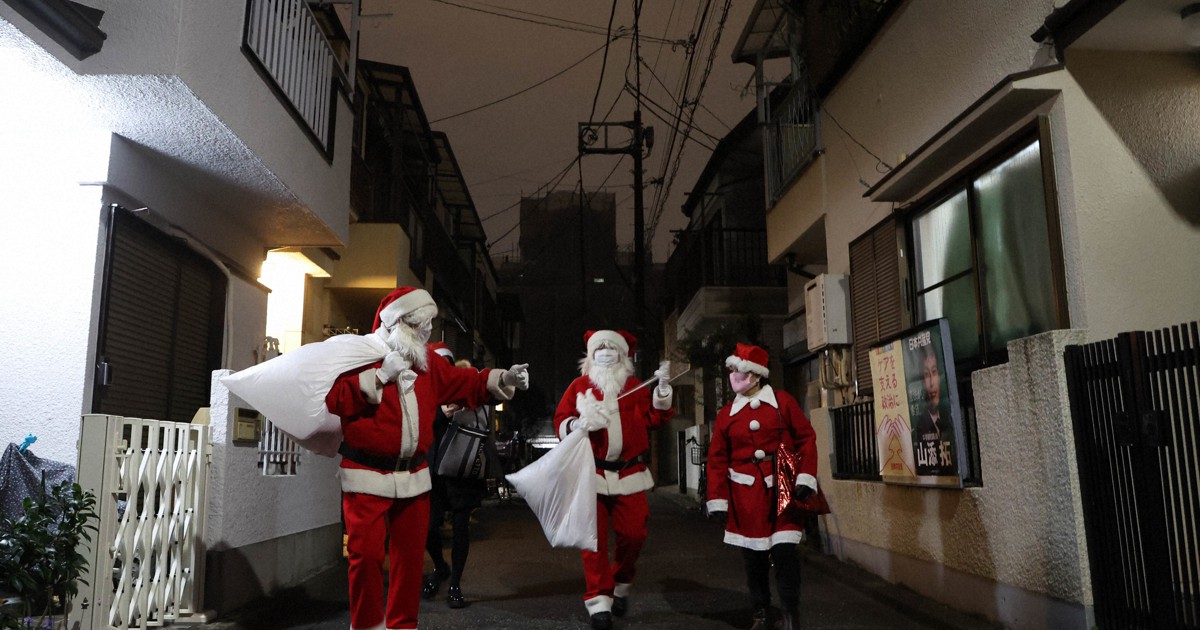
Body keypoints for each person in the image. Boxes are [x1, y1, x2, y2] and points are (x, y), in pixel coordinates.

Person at [325, 287, 529, 630]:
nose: (428, 331)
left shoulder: (427, 363)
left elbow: (465, 383)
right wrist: (379, 376)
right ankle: (366, 625)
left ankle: (403, 626)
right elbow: (336, 400)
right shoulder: (359, 354)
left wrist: (503, 378)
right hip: (366, 472)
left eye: (430, 324)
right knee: (366, 557)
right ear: (400, 322)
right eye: (423, 324)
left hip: (415, 477)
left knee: (409, 560)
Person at [553, 330, 674, 630]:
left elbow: (656, 419)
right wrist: (578, 423)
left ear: (623, 356)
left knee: (634, 534)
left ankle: (621, 581)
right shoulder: (579, 386)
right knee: (592, 541)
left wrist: (661, 391)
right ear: (590, 356)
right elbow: (560, 422)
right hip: (592, 472)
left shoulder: (635, 387)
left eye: (611, 348)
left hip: (629, 473)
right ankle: (598, 602)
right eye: (600, 348)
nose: (605, 352)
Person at [706, 343, 817, 630]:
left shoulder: (783, 403)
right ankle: (761, 612)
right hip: (745, 493)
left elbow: (806, 438)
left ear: (755, 374)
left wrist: (805, 476)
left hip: (784, 486)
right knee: (754, 557)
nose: (733, 375)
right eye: (731, 370)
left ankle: (791, 613)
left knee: (784, 553)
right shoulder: (726, 415)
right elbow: (717, 459)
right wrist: (717, 499)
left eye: (738, 369)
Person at [421, 346, 499, 609]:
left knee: (460, 528)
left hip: (463, 469)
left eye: (446, 365)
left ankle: (455, 584)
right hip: (432, 470)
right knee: (428, 527)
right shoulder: (422, 387)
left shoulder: (463, 386)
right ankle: (441, 568)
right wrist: (441, 414)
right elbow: (415, 422)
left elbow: (486, 418)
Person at [910, 343, 955, 475]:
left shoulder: (947, 418)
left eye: (934, 372)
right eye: (926, 375)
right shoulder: (919, 427)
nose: (931, 382)